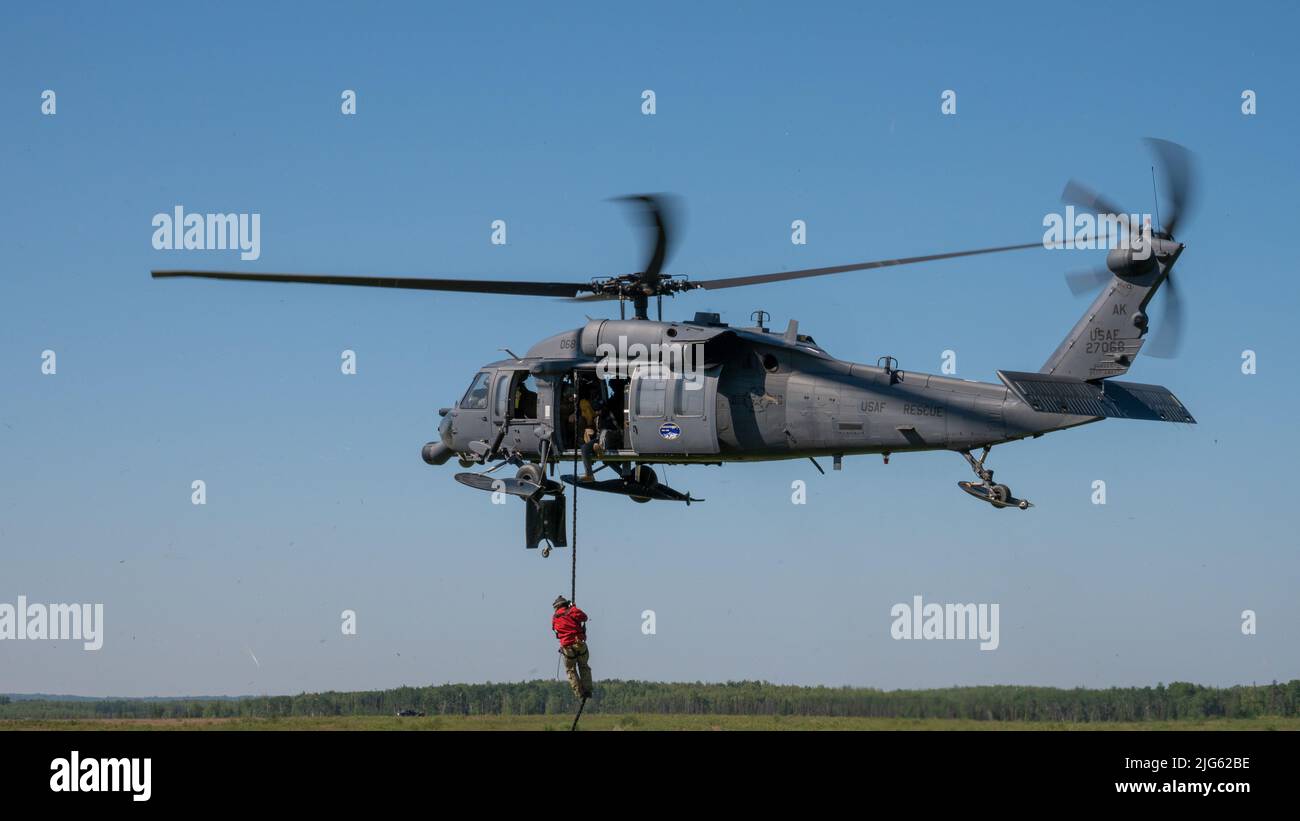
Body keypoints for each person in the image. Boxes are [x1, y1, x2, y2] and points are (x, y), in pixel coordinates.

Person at [551, 595, 593, 700]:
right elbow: (585, 617)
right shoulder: (572, 611)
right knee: (583, 666)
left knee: (570, 670)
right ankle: (587, 690)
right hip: (578, 643)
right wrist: (573, 608)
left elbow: (554, 629)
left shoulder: (555, 618)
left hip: (566, 648)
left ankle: (579, 693)